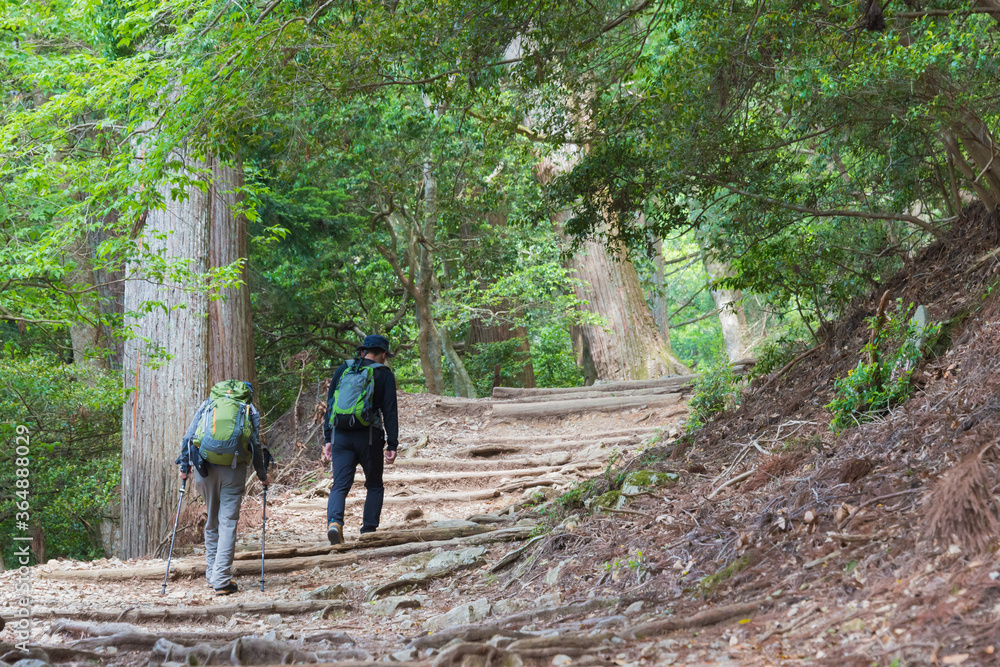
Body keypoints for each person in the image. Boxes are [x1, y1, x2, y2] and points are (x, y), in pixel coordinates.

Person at [176, 380, 271, 596]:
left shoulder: (208, 404)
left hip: (204, 469)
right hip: (234, 469)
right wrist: (262, 475)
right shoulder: (249, 410)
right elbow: (255, 445)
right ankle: (221, 578)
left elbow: (188, 436)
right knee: (227, 523)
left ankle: (212, 574)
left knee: (212, 520)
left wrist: (184, 467)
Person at [323, 334, 399, 544]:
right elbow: (390, 412)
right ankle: (368, 531)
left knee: (339, 485)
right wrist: (392, 443)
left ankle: (334, 523)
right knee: (374, 485)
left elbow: (330, 405)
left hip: (340, 436)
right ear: (382, 353)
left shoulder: (344, 369)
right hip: (369, 437)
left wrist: (327, 438)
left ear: (364, 350)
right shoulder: (383, 374)